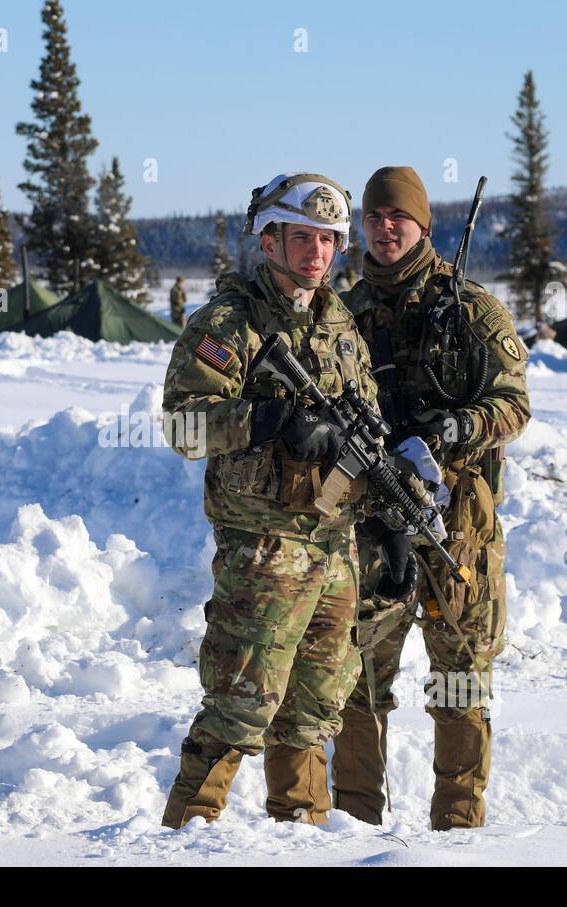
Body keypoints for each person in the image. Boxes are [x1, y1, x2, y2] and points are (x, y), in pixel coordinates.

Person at [159, 173, 380, 827]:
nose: (317, 253)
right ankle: (188, 837)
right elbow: (183, 427)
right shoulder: (228, 323)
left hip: (333, 542)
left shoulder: (339, 322)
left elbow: (361, 421)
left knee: (314, 705)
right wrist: (270, 421)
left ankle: (302, 833)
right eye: (304, 237)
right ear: (270, 239)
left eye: (329, 240)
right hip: (263, 548)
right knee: (241, 702)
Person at [331, 167, 530, 830]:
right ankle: (353, 833)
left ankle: (458, 832)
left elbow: (514, 404)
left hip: (457, 532)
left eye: (400, 218)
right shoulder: (344, 314)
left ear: (423, 225)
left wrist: (457, 427)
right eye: (375, 218)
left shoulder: (470, 308)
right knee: (357, 685)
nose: (386, 230)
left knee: (459, 684)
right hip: (372, 527)